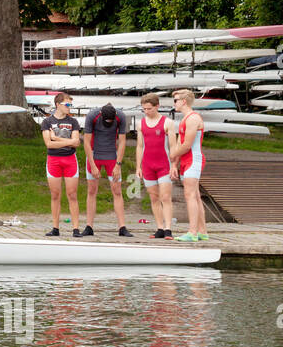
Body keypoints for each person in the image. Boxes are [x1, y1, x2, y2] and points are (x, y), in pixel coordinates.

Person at [83, 102, 131, 237]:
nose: (109, 123)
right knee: (92, 191)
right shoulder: (92, 116)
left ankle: (122, 227)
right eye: (106, 121)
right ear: (101, 115)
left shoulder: (121, 117)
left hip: (111, 156)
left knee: (117, 191)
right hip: (94, 155)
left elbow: (122, 142)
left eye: (111, 121)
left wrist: (118, 164)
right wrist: (92, 165)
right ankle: (89, 226)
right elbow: (86, 142)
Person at [168, 88, 208, 241]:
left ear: (183, 101)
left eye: (176, 100)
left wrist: (172, 154)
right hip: (185, 160)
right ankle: (202, 231)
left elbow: (187, 145)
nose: (174, 104)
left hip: (193, 159)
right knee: (195, 196)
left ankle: (192, 232)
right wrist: (174, 164)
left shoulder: (193, 118)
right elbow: (180, 142)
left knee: (190, 195)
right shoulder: (184, 119)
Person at [41, 92, 83, 237]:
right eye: (67, 105)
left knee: (72, 194)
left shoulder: (73, 122)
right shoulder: (47, 122)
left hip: (70, 160)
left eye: (71, 105)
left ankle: (76, 228)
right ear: (58, 105)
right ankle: (55, 228)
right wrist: (68, 142)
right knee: (55, 194)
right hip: (54, 161)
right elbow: (48, 144)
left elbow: (77, 142)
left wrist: (56, 138)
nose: (69, 107)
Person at [135, 93, 175, 239]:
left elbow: (173, 146)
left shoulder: (167, 123)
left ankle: (168, 228)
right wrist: (138, 167)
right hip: (147, 165)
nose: (147, 111)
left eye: (149, 109)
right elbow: (139, 146)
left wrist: (174, 165)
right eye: (144, 109)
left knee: (165, 197)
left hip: (164, 164)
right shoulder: (141, 124)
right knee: (154, 197)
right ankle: (159, 228)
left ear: (157, 106)